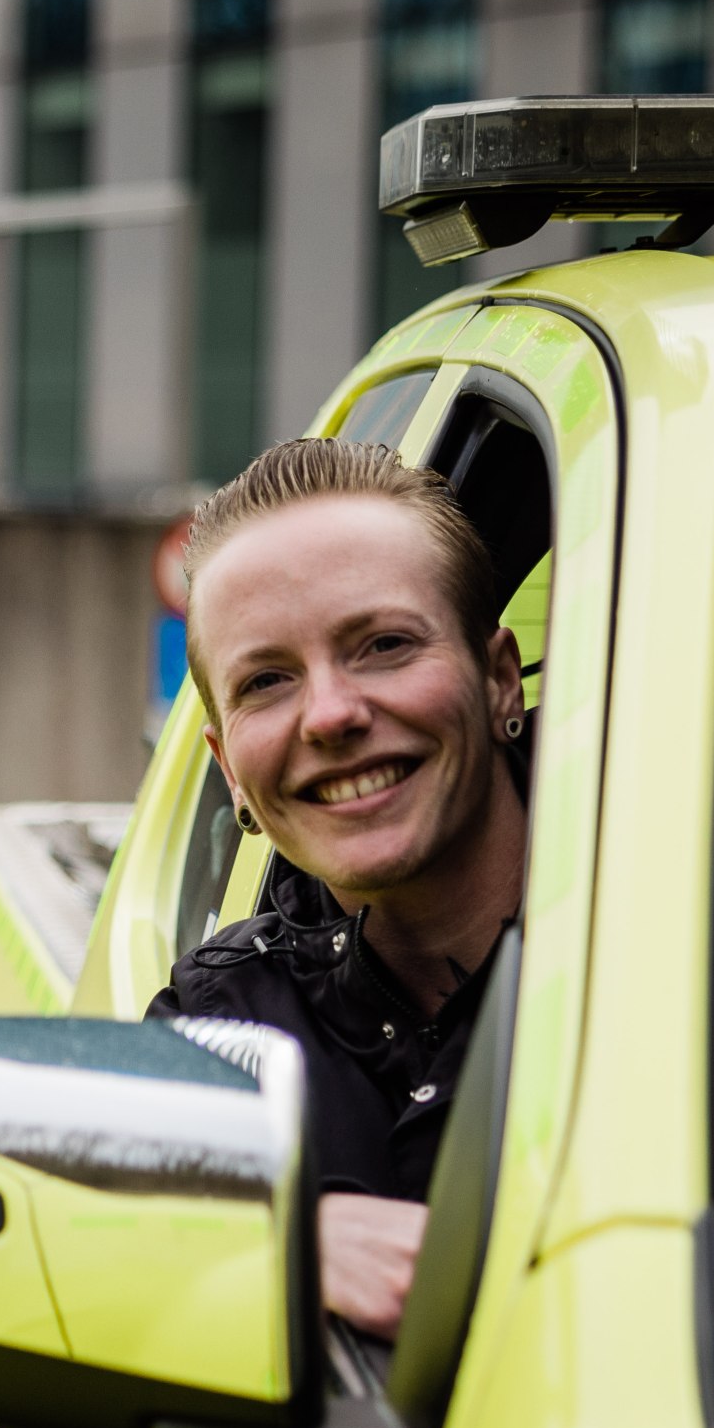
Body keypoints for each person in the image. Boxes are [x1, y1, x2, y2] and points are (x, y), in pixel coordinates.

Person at [149, 437, 527, 1338]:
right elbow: (66, 1359)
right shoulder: (223, 1024)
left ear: (500, 674)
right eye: (267, 680)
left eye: (385, 644)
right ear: (228, 770)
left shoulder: (712, 928)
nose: (330, 714)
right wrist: (278, 1242)